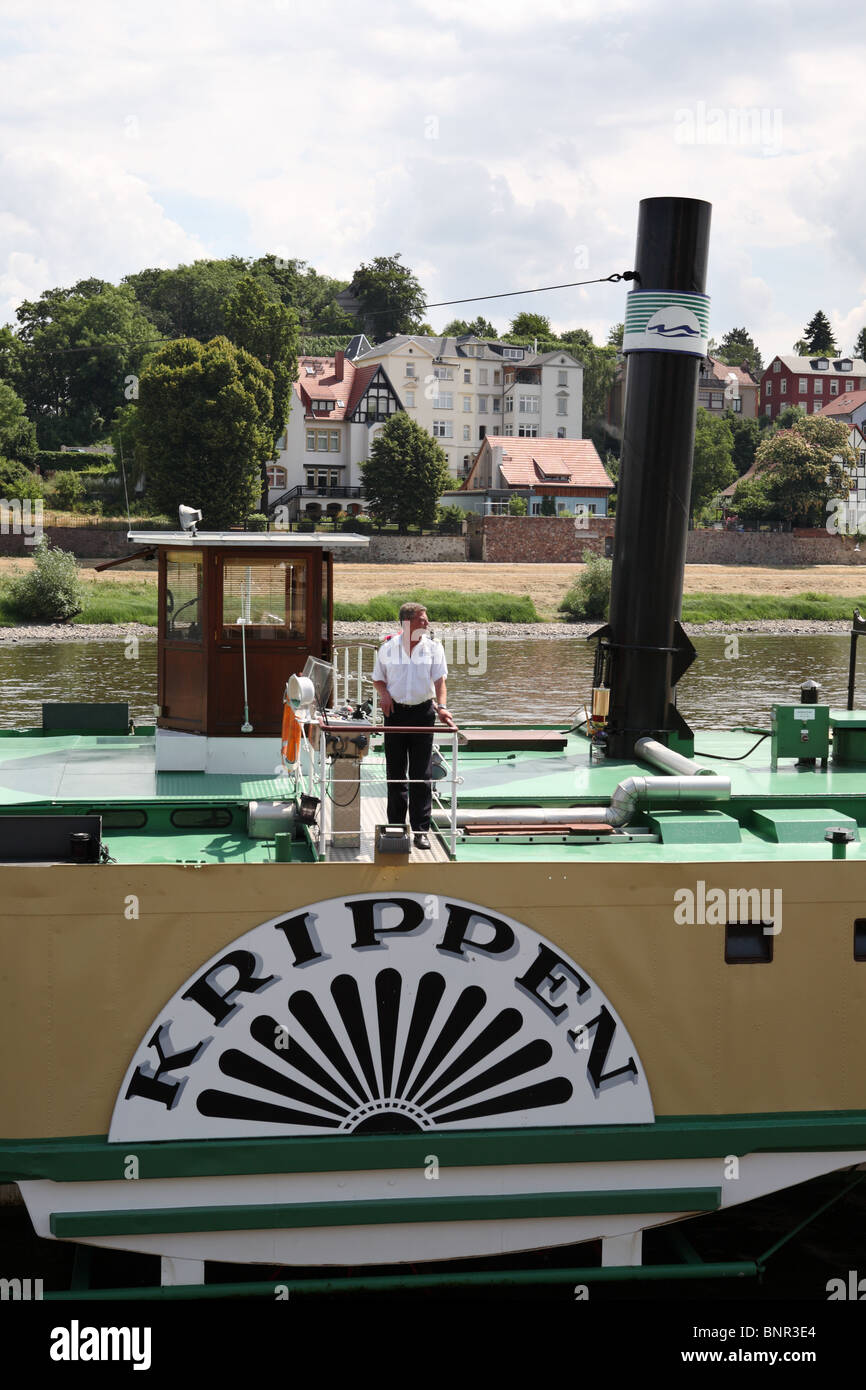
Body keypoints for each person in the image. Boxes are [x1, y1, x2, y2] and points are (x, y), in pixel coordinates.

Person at [372, 602, 456, 850]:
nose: (427, 623)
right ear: (407, 622)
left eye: (426, 619)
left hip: (423, 713)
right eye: (422, 619)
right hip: (395, 714)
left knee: (422, 775)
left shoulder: (433, 648)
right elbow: (378, 679)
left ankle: (420, 831)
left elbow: (440, 682)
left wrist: (442, 708)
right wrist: (384, 694)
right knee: (395, 774)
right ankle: (397, 829)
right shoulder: (387, 648)